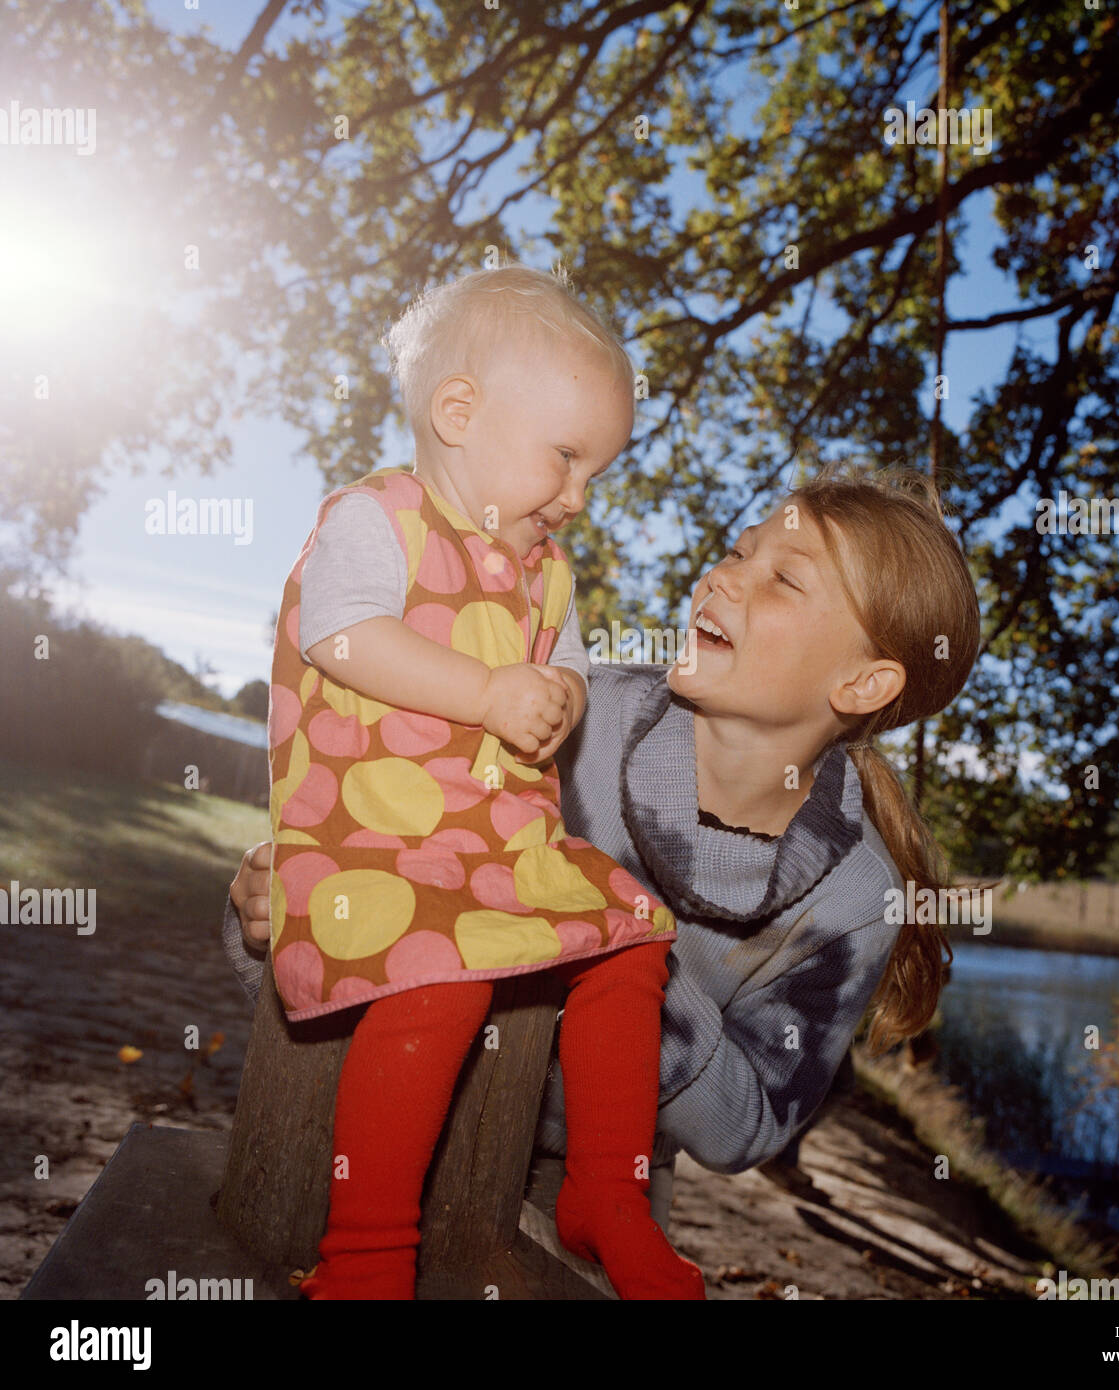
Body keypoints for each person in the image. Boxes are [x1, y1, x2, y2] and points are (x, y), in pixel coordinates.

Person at [229, 462, 982, 1275]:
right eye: (737, 550)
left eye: (783, 581)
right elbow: (382, 864)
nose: (724, 577)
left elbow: (750, 1129)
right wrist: (281, 910)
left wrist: (617, 949)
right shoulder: (565, 714)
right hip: (402, 1131)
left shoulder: (857, 895)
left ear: (862, 681)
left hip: (602, 1188)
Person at [262, 261, 705, 1300]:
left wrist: (557, 692)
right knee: (444, 976)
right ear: (459, 411)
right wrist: (489, 690)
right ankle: (363, 1254)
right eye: (567, 458)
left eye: (596, 472)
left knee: (635, 940)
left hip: (498, 845)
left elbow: (568, 668)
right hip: (377, 843)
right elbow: (342, 637)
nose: (579, 498)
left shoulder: (551, 573)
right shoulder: (379, 518)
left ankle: (607, 1192)